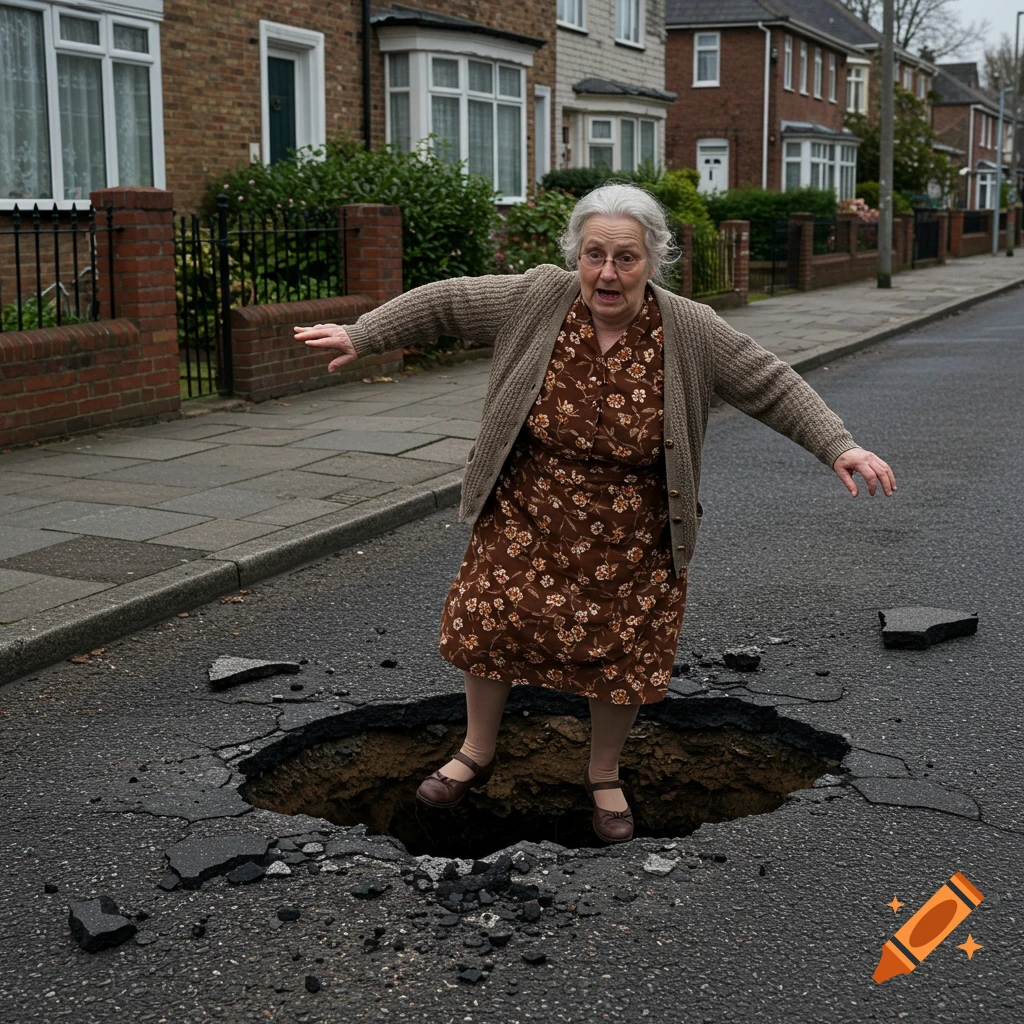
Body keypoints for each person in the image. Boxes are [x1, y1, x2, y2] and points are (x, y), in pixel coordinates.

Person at [294, 183, 895, 843]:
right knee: (491, 624)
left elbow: (769, 380)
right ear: (576, 256)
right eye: (595, 254)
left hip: (633, 529)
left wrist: (838, 443)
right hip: (527, 508)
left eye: (626, 257)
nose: (608, 272)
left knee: (622, 653)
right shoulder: (539, 297)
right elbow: (450, 301)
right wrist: (364, 331)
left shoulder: (689, 329)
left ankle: (602, 774)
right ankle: (476, 749)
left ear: (652, 260)